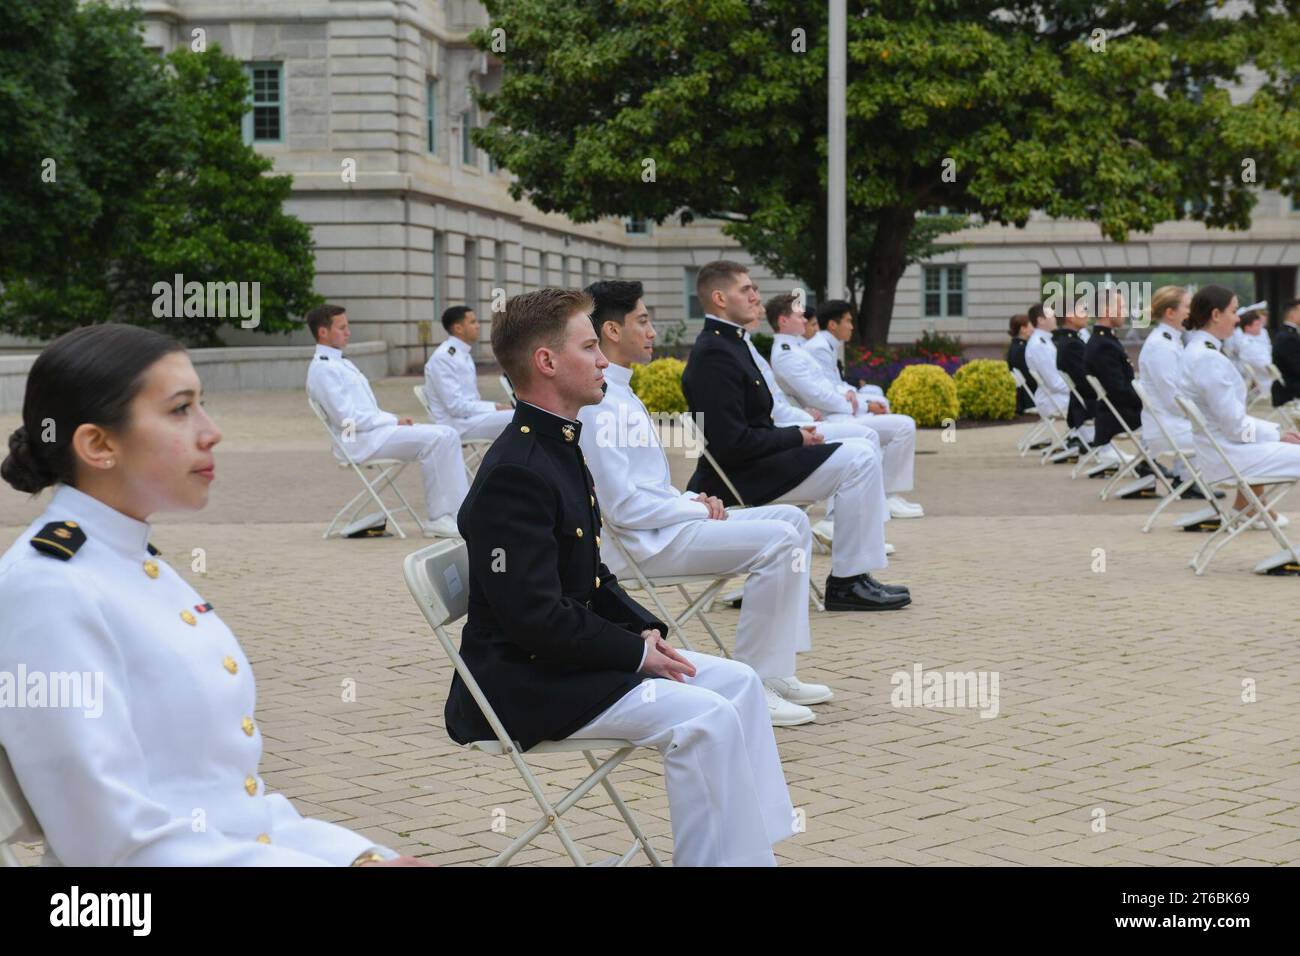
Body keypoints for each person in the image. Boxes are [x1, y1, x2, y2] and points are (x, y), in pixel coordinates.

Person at [0, 324, 424, 867]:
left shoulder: (128, 559)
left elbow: (229, 802)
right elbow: (112, 844)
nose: (212, 432)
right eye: (180, 410)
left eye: (203, 405)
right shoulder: (49, 589)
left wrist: (357, 857)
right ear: (98, 445)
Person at [449, 287, 796, 866]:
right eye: (590, 346)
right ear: (547, 363)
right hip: (520, 684)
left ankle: (748, 856)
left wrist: (645, 634)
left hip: (562, 658)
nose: (605, 358)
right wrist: (632, 656)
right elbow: (534, 618)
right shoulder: (518, 471)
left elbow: (593, 578)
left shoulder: (559, 443)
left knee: (739, 684)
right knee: (704, 718)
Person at [577, 280, 831, 726]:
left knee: (791, 518)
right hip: (642, 546)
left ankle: (776, 671)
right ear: (613, 331)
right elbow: (622, 510)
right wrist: (694, 508)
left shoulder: (620, 390)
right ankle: (755, 682)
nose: (653, 331)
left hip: (664, 525)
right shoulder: (600, 403)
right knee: (778, 541)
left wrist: (687, 498)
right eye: (643, 321)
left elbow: (645, 489)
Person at [681, 261, 910, 611]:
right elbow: (731, 445)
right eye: (746, 290)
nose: (756, 296)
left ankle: (855, 575)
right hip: (739, 478)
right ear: (719, 298)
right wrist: (796, 438)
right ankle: (848, 582)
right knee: (860, 458)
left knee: (863, 444)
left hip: (758, 464)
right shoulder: (714, 354)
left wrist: (795, 434)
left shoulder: (731, 344)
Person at [305, 304, 466, 538]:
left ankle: (459, 513)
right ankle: (439, 518)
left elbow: (364, 412)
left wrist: (392, 422)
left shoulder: (340, 362)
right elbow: (347, 419)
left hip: (374, 433)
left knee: (447, 433)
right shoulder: (322, 369)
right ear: (323, 332)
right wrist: (390, 420)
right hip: (359, 441)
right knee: (439, 438)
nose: (348, 332)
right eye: (342, 328)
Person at [767, 295, 921, 518]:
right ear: (783, 321)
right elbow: (816, 395)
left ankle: (881, 501)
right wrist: (857, 407)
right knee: (890, 430)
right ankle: (850, 514)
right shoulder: (786, 354)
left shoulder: (796, 349)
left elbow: (827, 386)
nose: (806, 321)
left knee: (889, 430)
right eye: (799, 316)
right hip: (826, 417)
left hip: (829, 413)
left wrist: (854, 400)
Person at [1180, 284, 1300, 523]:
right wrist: (1277, 434)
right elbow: (1235, 427)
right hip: (1229, 454)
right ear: (1216, 315)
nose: (1237, 318)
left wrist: (1275, 433)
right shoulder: (1207, 358)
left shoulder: (1199, 350)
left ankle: (1247, 509)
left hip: (1222, 449)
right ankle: (1251, 510)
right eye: (1233, 311)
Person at [1137, 286, 1202, 486]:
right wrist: (1202, 412)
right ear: (1170, 313)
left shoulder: (1169, 340)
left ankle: (1187, 480)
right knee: (1222, 435)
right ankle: (1188, 481)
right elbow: (1173, 398)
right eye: (1188, 307)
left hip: (1170, 423)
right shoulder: (1161, 346)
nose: (1192, 312)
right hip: (1166, 428)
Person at [422, 305, 513, 441]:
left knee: (521, 417)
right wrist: (495, 407)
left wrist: (495, 408)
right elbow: (455, 407)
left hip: (470, 419)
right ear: (458, 328)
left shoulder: (462, 354)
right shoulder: (444, 358)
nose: (478, 326)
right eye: (472, 322)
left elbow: (470, 400)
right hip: (456, 424)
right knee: (519, 418)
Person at [1084, 291, 1143, 451]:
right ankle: (1147, 462)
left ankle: (1147, 461)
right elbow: (1118, 389)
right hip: (1118, 416)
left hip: (1118, 411)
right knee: (1167, 417)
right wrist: (1145, 401)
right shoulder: (1103, 344)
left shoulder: (1105, 340)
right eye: (1122, 307)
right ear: (1108, 311)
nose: (1125, 312)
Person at [1025, 303, 1070, 419]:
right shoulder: (1039, 345)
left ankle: (1080, 436)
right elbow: (1054, 383)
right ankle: (1084, 437)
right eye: (1052, 315)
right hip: (1052, 400)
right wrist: (1077, 387)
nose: (1055, 318)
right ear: (1041, 320)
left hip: (1054, 397)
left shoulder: (1043, 341)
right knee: (1094, 402)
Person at [1271, 298, 1300, 408]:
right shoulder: (1287, 337)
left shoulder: (1287, 334)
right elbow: (1296, 367)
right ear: (1293, 313)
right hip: (1291, 386)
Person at [1006, 314, 1034, 414]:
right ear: (1023, 329)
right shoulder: (1021, 348)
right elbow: (1027, 375)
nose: (1033, 329)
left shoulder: (1016, 346)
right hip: (1028, 398)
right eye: (1031, 326)